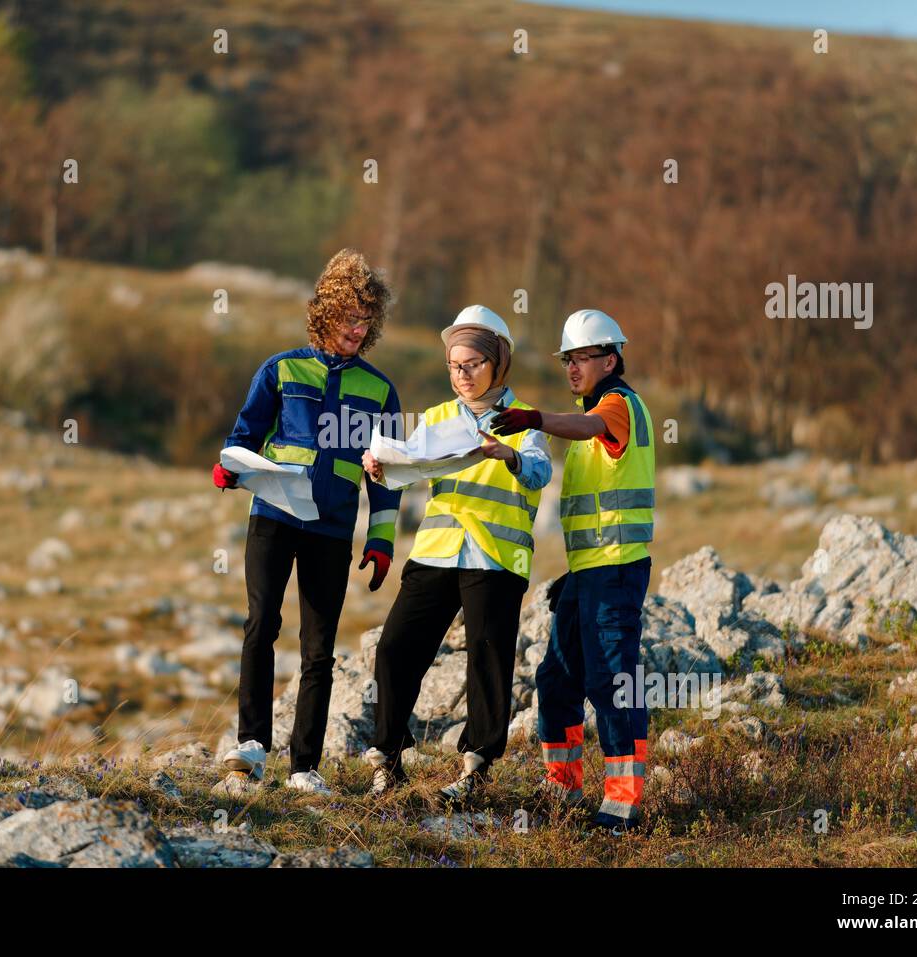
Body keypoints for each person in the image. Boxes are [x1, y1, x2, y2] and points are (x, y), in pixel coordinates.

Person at [213, 249, 403, 796]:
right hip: (272, 516)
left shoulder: (381, 390)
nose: (357, 327)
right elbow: (243, 438)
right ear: (325, 311)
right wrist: (228, 468)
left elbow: (387, 476)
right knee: (260, 626)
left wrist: (382, 540)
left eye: (366, 318)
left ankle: (304, 768)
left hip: (331, 529)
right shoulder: (280, 369)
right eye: (348, 314)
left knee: (319, 648)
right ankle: (251, 745)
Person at [361, 305, 552, 806]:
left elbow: (537, 473)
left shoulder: (523, 420)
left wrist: (505, 453)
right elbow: (411, 470)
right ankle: (387, 758)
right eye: (453, 365)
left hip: (494, 558)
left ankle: (476, 767)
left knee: (487, 661)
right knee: (395, 650)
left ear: (498, 364)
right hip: (437, 552)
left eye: (471, 365)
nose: (460, 375)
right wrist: (382, 468)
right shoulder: (438, 417)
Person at [492, 309, 655, 835]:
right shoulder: (596, 409)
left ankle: (623, 803)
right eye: (567, 360)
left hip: (617, 573)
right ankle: (561, 788)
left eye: (581, 358)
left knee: (612, 682)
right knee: (557, 678)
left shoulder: (617, 407)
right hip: (587, 573)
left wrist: (535, 420)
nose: (572, 368)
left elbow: (587, 426)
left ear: (610, 359)